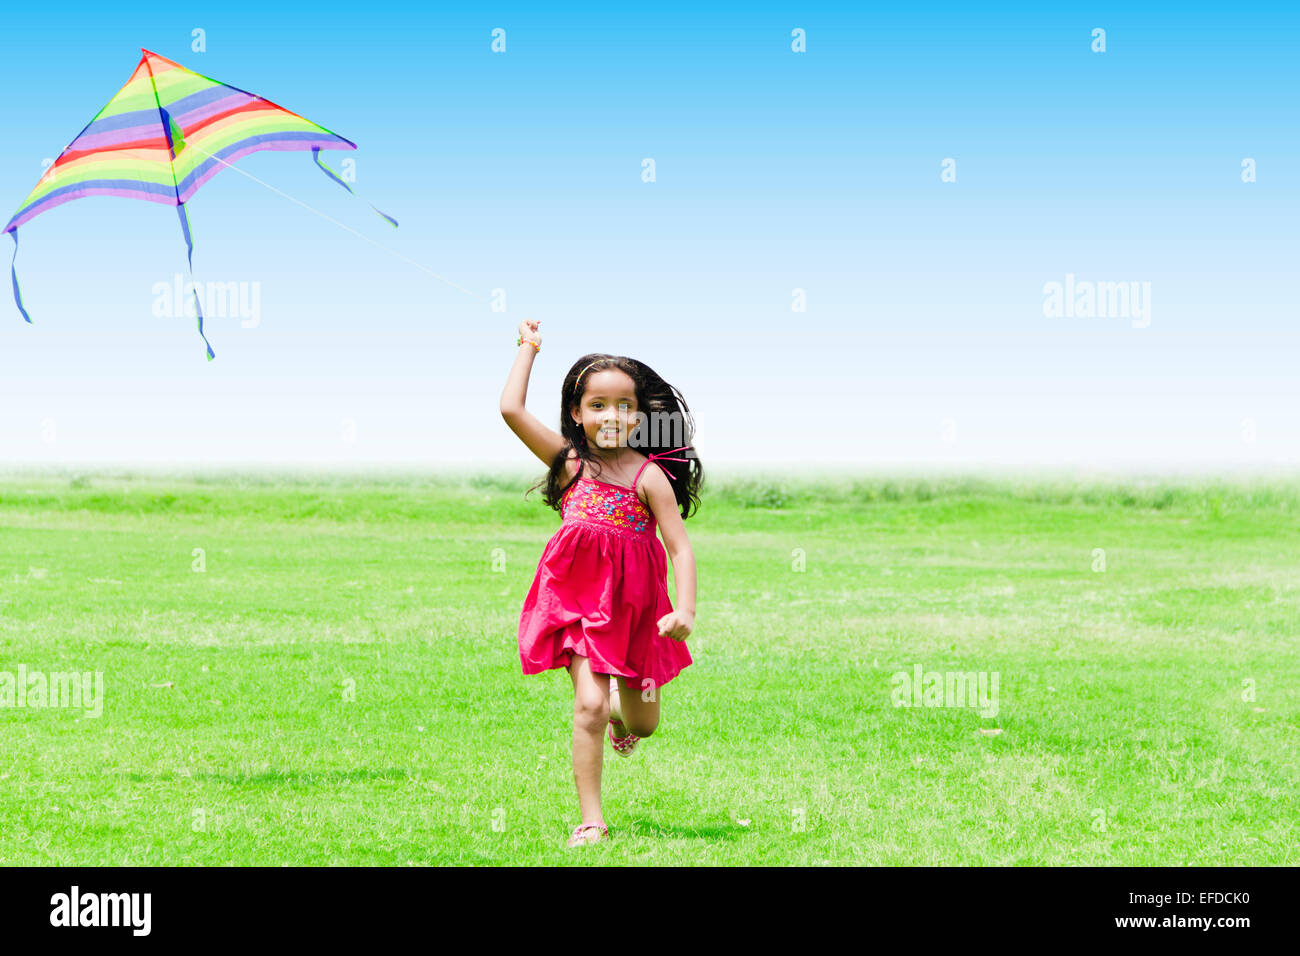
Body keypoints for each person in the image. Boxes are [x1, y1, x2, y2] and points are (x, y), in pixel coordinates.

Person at [500, 318, 703, 848]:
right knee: (586, 707)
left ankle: (622, 714)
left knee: (644, 721)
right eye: (596, 405)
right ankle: (592, 820)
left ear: (638, 415)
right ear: (575, 413)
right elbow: (511, 411)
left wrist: (685, 610)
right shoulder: (569, 464)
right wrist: (529, 348)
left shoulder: (649, 476)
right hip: (580, 606)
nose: (610, 416)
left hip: (638, 614)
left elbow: (679, 546)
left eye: (622, 406)